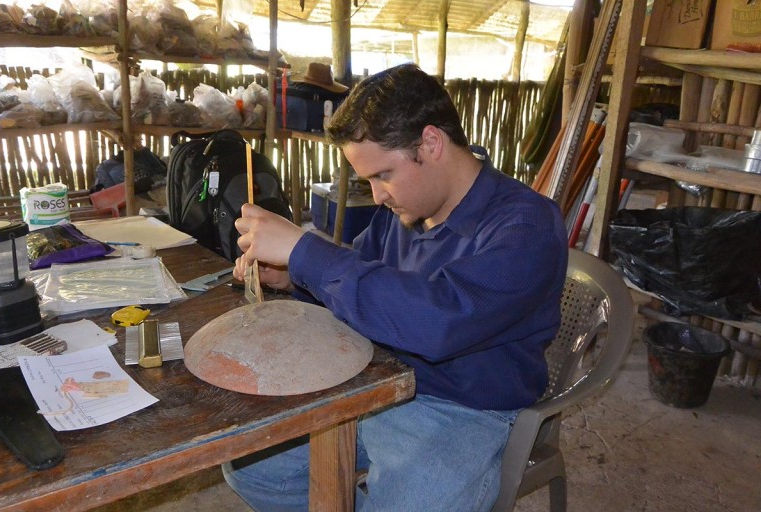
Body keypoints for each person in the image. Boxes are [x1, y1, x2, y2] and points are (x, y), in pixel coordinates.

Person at [224, 63, 568, 511]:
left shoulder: (526, 226)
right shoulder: (406, 212)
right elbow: (365, 282)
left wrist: (308, 252)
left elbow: (438, 323)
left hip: (465, 409)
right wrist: (295, 277)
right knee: (251, 466)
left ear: (431, 143)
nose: (379, 195)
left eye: (383, 174)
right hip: (377, 384)